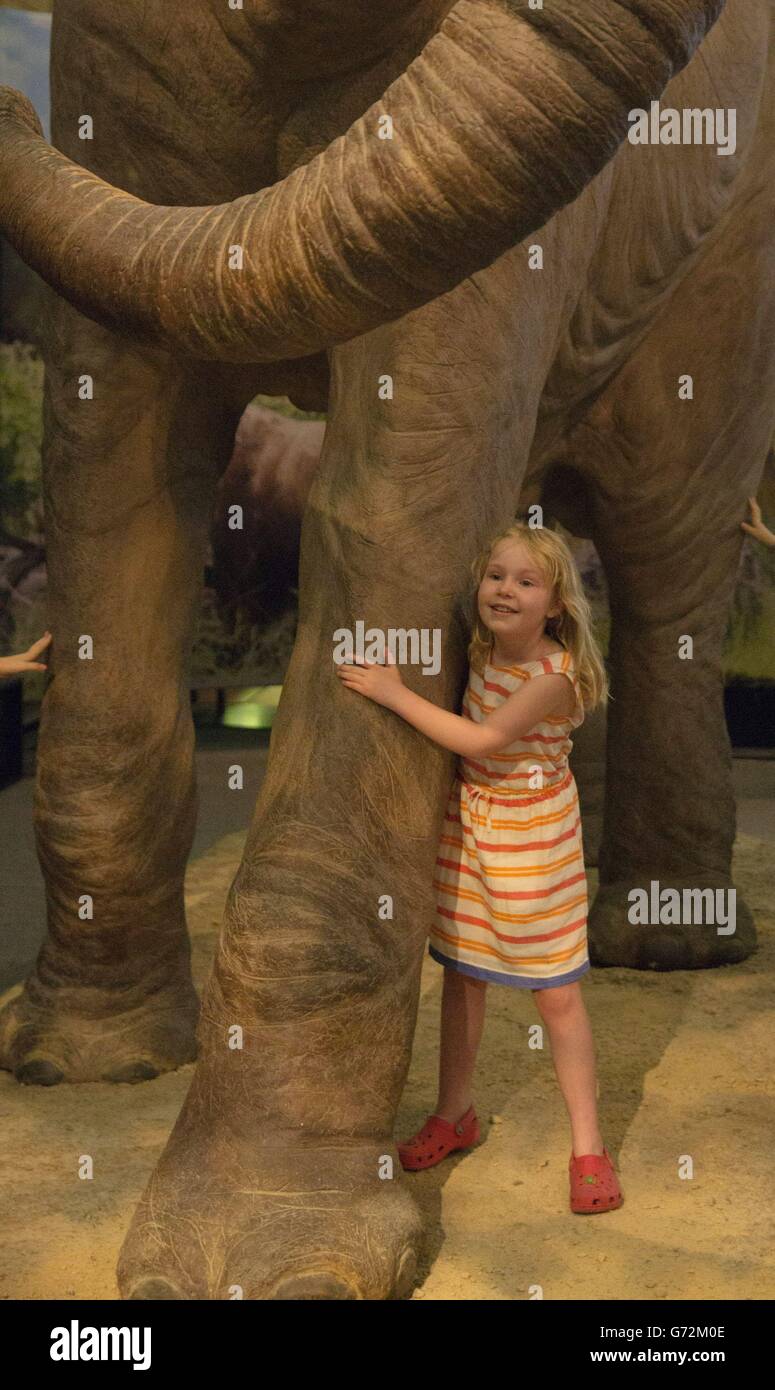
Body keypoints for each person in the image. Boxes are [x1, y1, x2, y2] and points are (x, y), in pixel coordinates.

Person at [336, 520, 623, 1214]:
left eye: (526, 582)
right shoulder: (477, 648)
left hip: (535, 841)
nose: (504, 590)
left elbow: (484, 737)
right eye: (496, 576)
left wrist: (392, 693)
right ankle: (453, 1114)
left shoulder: (554, 676)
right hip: (470, 831)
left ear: (555, 603)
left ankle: (588, 1149)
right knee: (463, 975)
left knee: (555, 994)